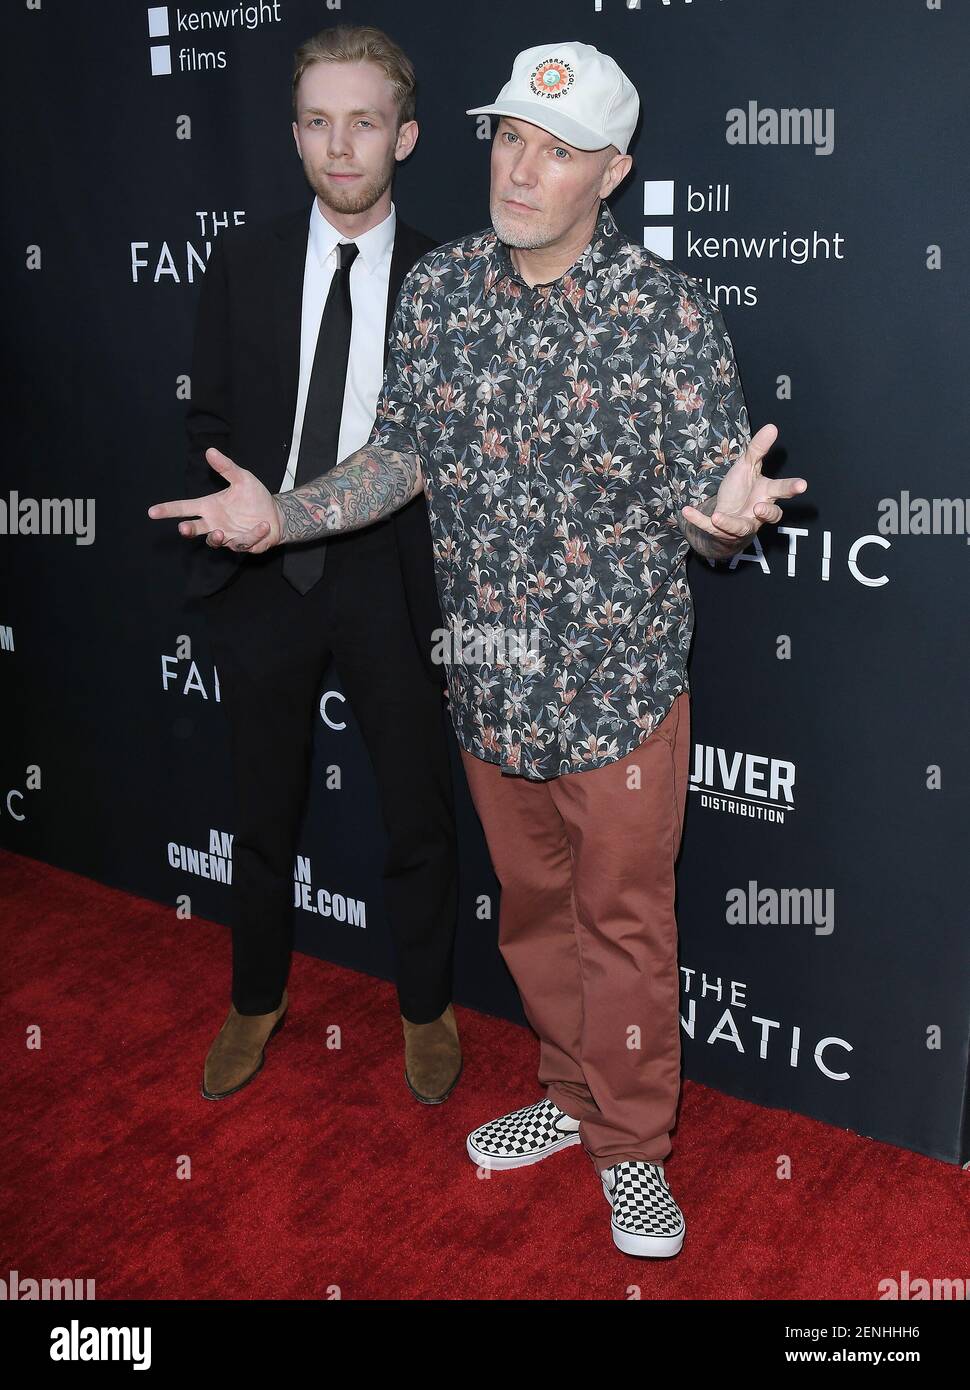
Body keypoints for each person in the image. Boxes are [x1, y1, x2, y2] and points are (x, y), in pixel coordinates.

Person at [150, 40, 807, 1256]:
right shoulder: (442, 290)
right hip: (489, 689)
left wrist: (723, 525)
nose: (521, 169)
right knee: (533, 922)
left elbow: (710, 519)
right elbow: (398, 456)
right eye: (510, 137)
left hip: (616, 700)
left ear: (609, 175)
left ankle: (632, 1147)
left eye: (557, 152)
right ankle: (568, 1094)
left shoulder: (667, 320)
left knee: (624, 934)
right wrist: (278, 514)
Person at [180, 24, 461, 1106]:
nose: (340, 146)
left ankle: (426, 1007)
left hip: (394, 579)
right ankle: (256, 997)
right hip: (262, 569)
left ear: (405, 135)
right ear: (294, 133)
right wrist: (233, 512)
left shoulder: (449, 279)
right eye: (318, 121)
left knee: (416, 814)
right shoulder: (241, 264)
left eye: (365, 122)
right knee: (260, 809)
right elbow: (207, 413)